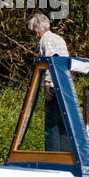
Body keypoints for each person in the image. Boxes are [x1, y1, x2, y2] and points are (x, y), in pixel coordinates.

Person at [29, 13, 69, 151]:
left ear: (37, 29)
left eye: (34, 30)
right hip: (65, 85)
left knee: (51, 125)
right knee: (63, 124)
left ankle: (52, 157)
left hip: (54, 86)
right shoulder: (59, 39)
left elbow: (53, 62)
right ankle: (64, 156)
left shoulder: (47, 40)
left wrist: (46, 84)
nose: (35, 34)